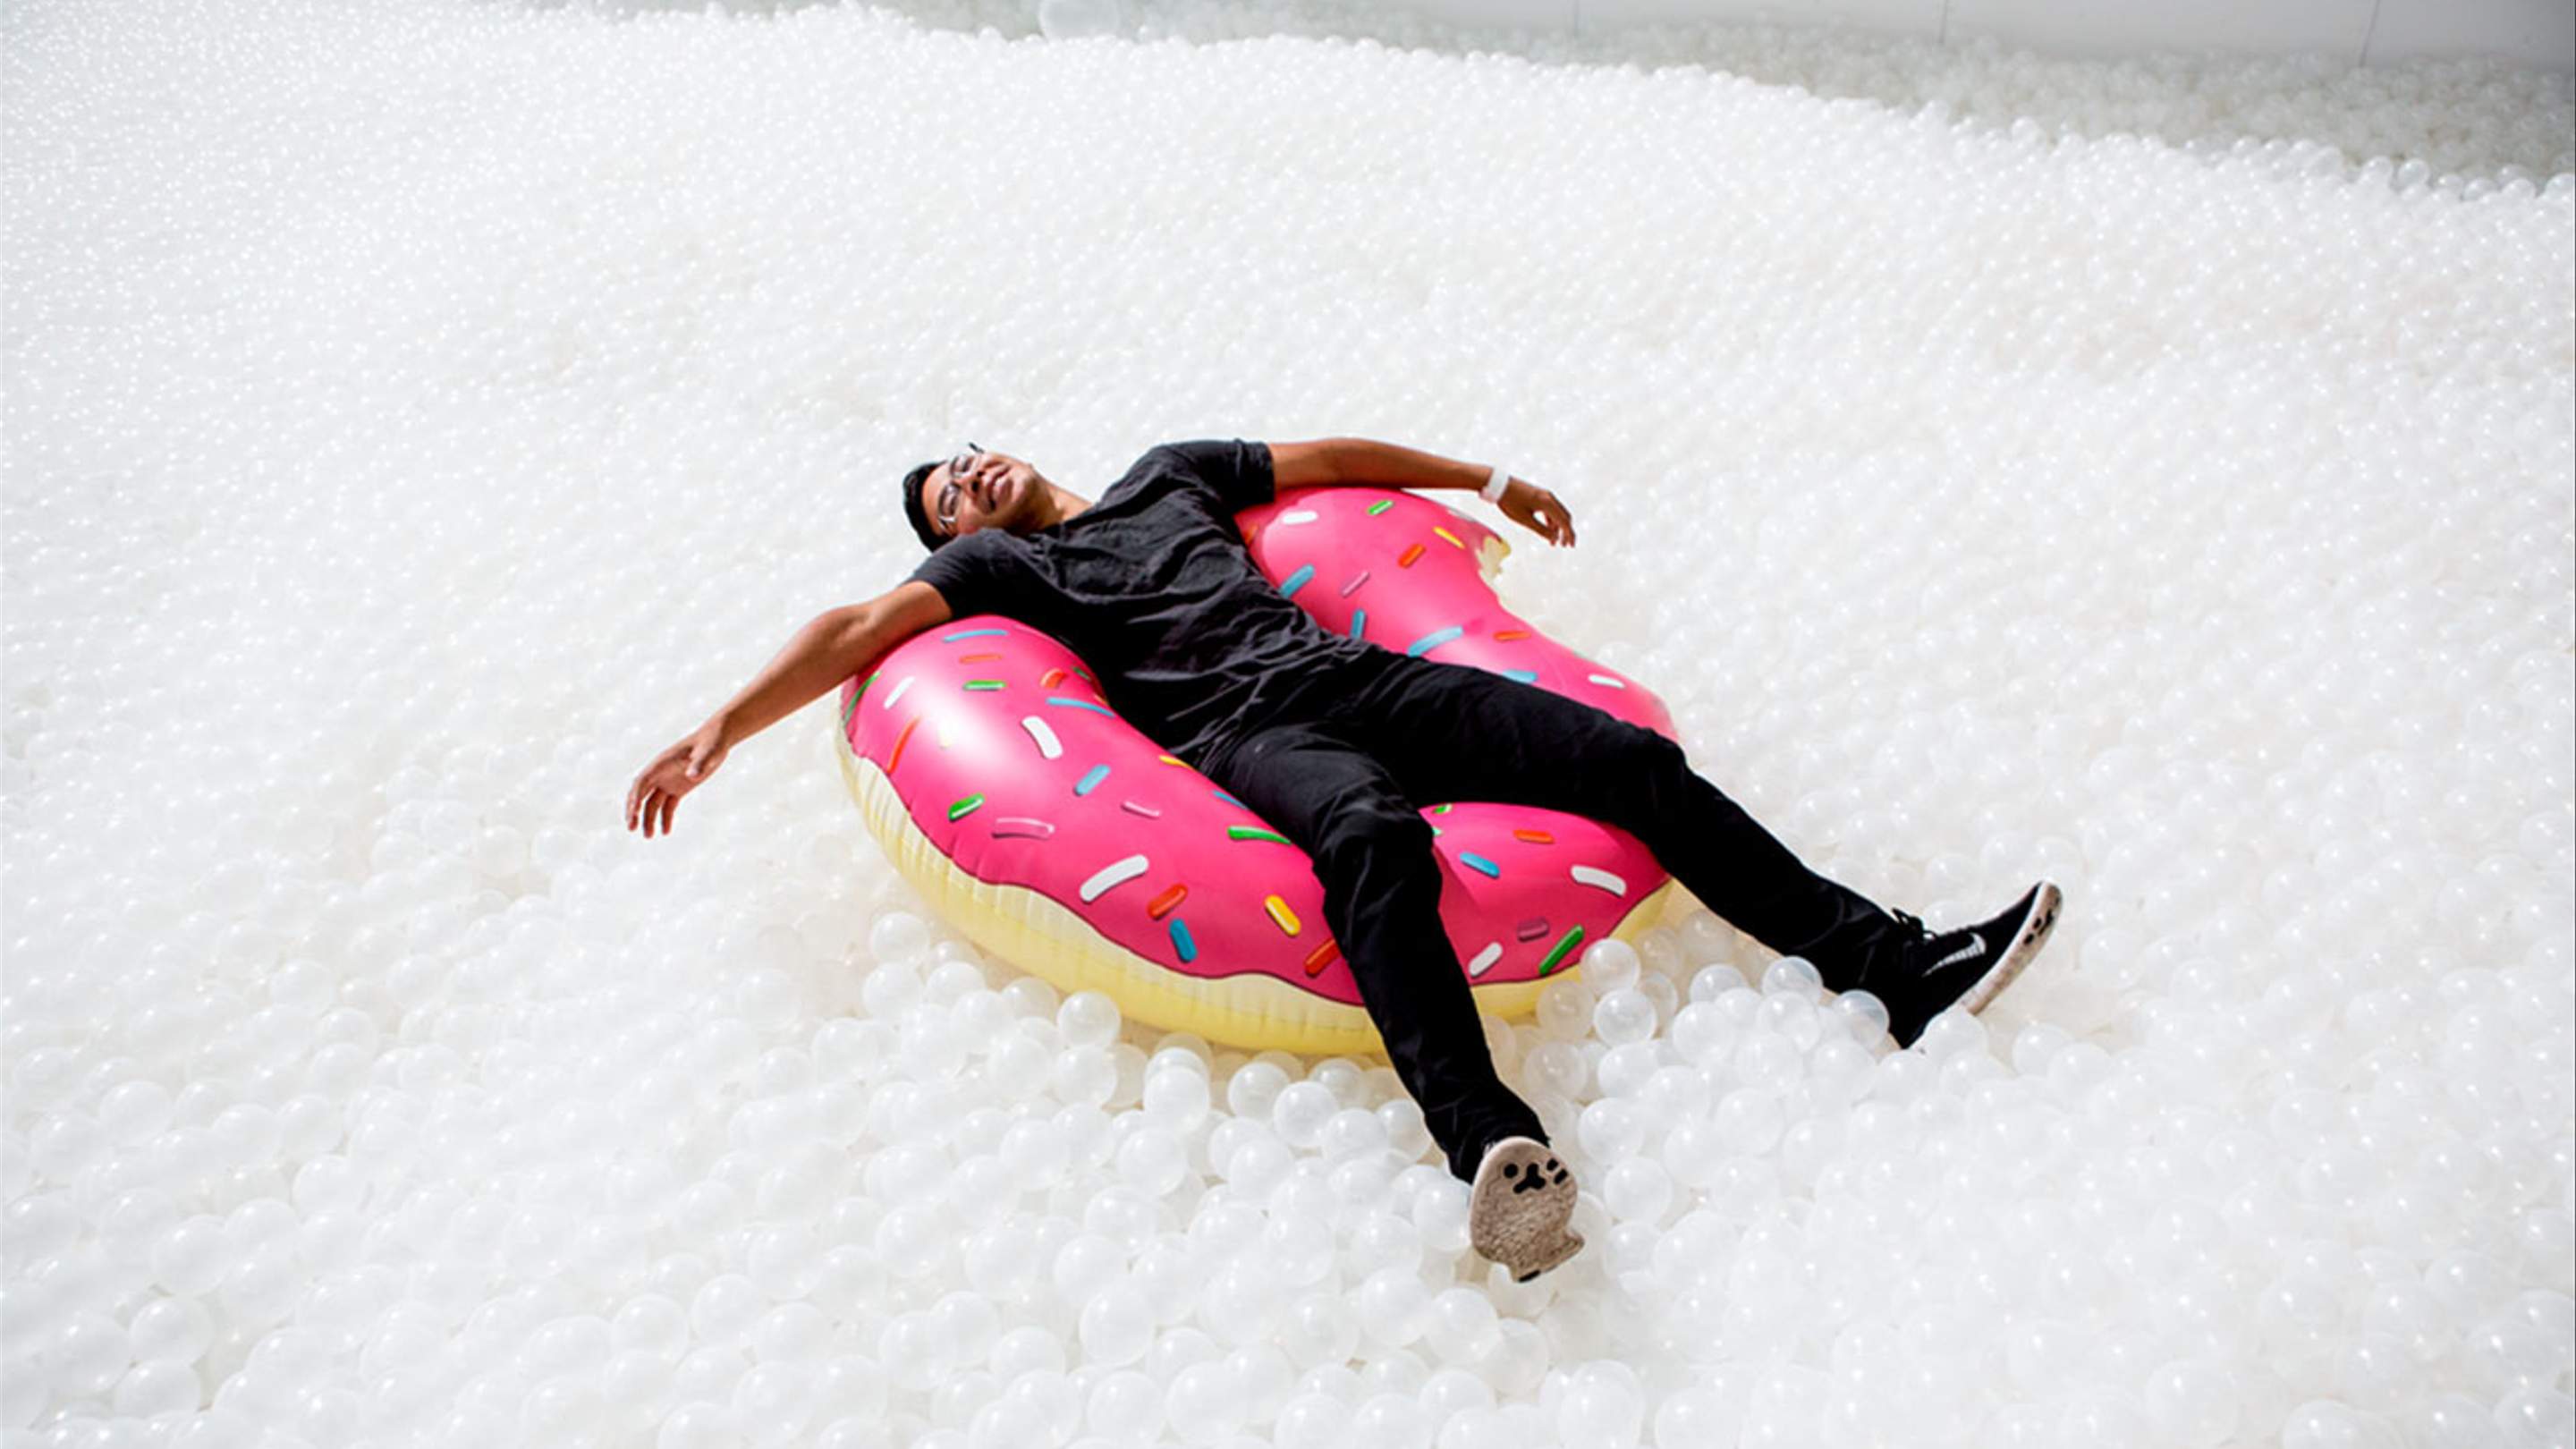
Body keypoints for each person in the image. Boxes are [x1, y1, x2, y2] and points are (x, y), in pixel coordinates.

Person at [626, 436, 2065, 1283]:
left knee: (1628, 765)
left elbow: (1326, 461)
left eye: (969, 456)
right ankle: (1492, 1150)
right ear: (953, 534)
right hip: (1250, 738)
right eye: (947, 496)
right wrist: (717, 730)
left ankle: (1898, 970)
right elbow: (852, 632)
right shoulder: (1009, 572)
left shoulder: (1167, 476)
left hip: (1362, 674)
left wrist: (1488, 476)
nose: (969, 480)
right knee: (1370, 841)